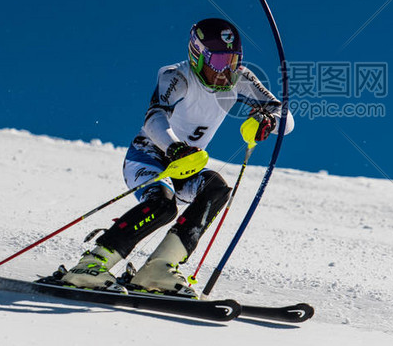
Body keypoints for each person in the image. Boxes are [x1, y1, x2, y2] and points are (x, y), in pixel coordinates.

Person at [61, 17, 293, 296]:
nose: (225, 71)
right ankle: (91, 264)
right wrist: (174, 149)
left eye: (232, 61)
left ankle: (157, 268)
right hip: (148, 157)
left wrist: (267, 120)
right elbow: (154, 118)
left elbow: (286, 118)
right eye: (218, 62)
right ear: (197, 55)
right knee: (163, 204)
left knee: (217, 189)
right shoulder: (176, 76)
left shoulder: (240, 79)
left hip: (187, 166)